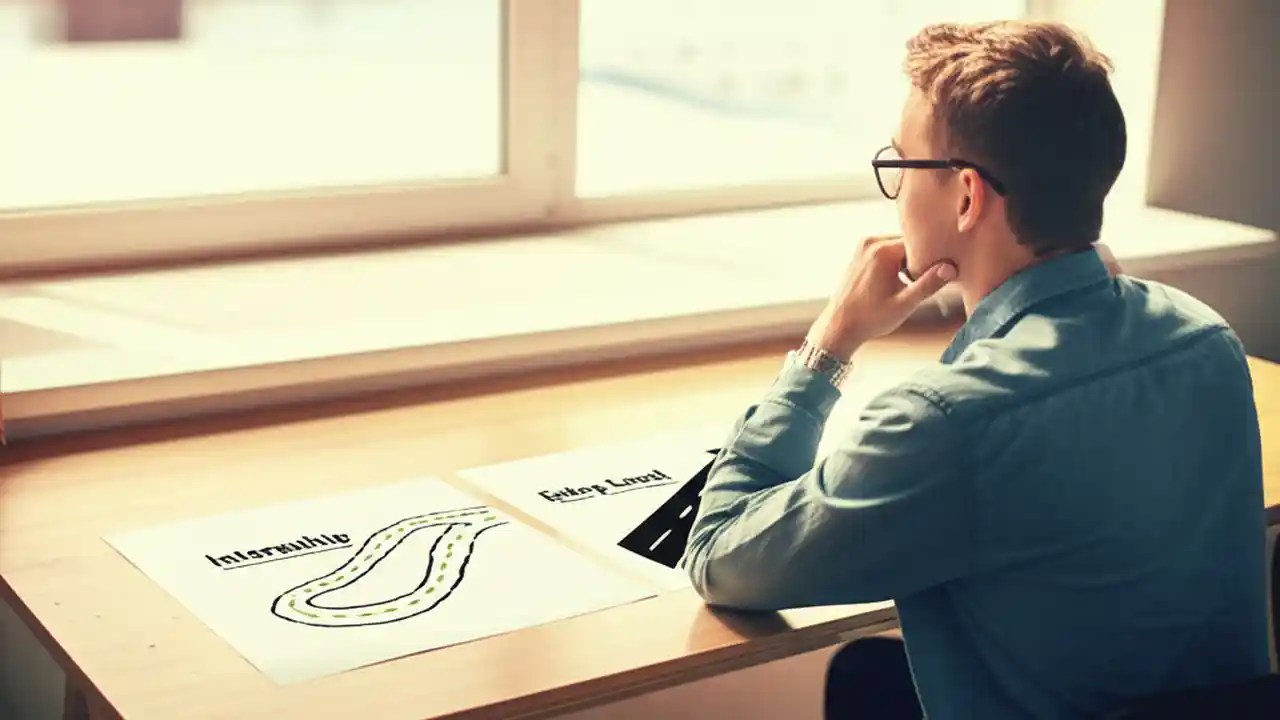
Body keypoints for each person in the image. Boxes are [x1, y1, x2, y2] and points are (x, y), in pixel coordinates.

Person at [680, 20, 1270, 720]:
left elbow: (718, 556)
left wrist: (829, 344)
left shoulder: (947, 423)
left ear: (966, 196)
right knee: (871, 675)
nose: (894, 192)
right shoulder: (1207, 341)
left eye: (900, 165)